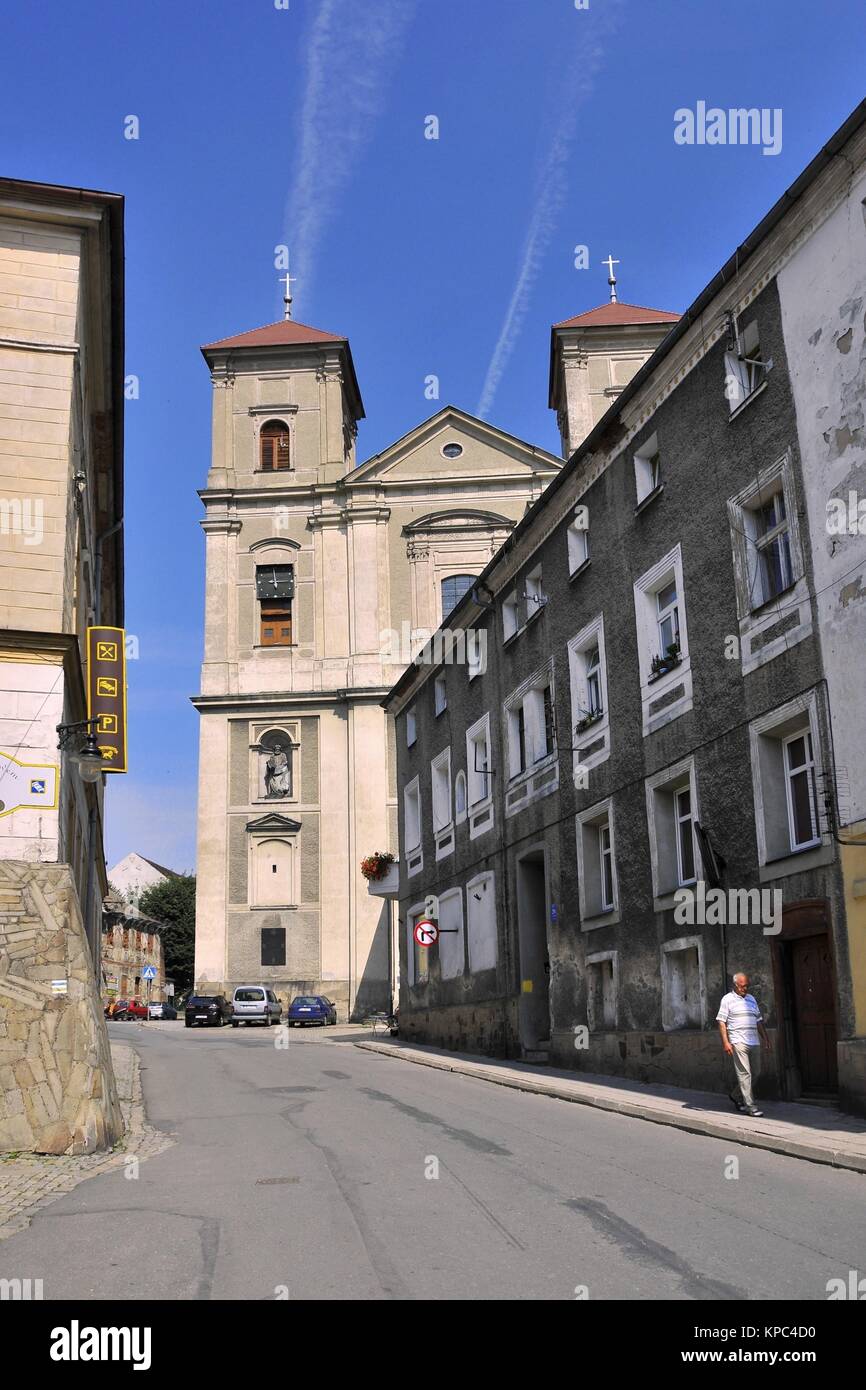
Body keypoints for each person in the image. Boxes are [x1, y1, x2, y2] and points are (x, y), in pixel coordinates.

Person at [716, 972, 771, 1117]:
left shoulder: (751, 999)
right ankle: (750, 1106)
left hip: (754, 1041)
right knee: (745, 1074)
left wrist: (765, 1038)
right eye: (742, 986)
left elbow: (758, 1020)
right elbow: (721, 1021)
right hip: (738, 1042)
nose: (745, 989)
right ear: (735, 985)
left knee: (756, 1073)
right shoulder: (727, 999)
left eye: (747, 986)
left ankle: (735, 1095)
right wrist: (726, 1042)